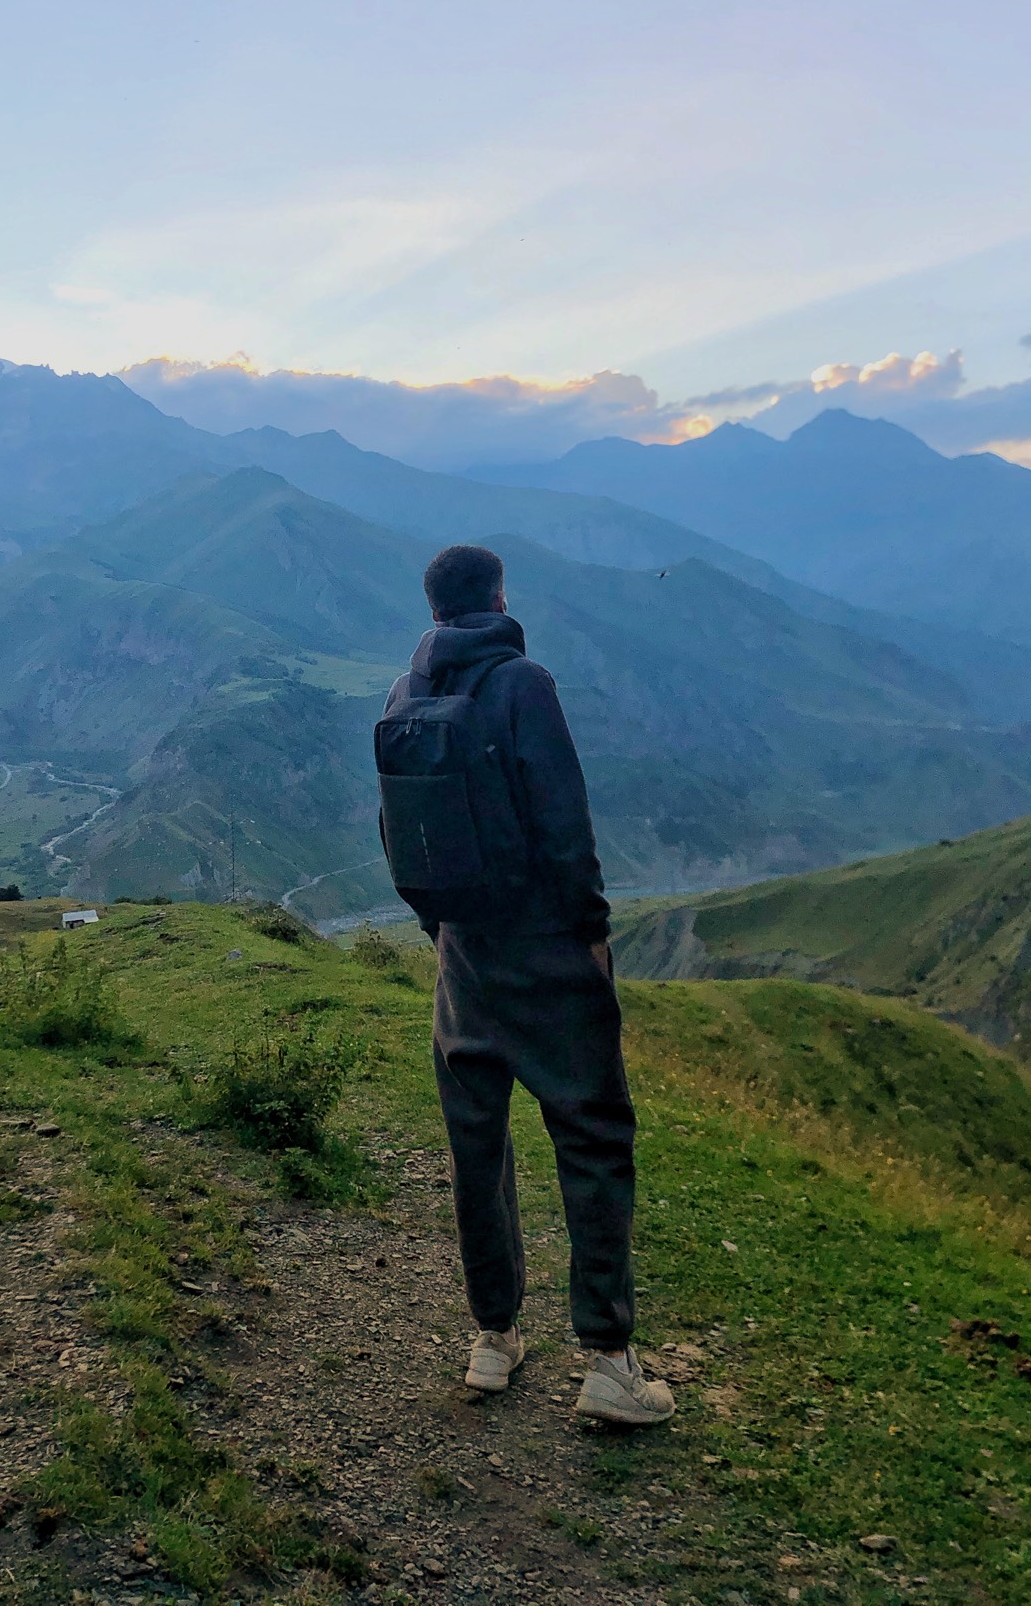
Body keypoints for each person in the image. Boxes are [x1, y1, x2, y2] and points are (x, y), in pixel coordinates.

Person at [379, 543, 674, 1425]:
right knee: (591, 1139)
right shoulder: (524, 685)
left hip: (461, 960)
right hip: (545, 951)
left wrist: (443, 933)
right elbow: (562, 822)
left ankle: (493, 1339)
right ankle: (610, 1362)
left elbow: (396, 836)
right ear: (500, 597)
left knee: (478, 1150)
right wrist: (587, 933)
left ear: (433, 609)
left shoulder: (405, 695)